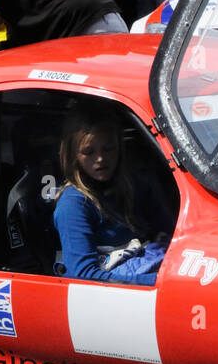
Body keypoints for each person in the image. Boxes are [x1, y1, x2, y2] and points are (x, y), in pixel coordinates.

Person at [53, 106, 168, 285]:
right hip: (111, 292)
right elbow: (83, 275)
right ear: (73, 155)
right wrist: (159, 282)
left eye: (108, 149)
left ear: (119, 148)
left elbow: (170, 231)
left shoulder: (136, 185)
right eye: (89, 152)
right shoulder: (74, 205)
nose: (100, 158)